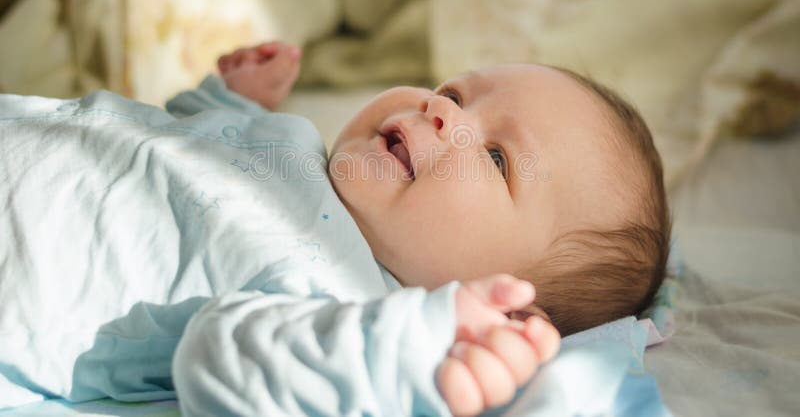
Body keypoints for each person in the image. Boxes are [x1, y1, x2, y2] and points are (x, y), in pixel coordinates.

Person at [0, 41, 669, 416]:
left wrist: (412, 342)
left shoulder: (344, 313)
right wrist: (226, 103)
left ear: (497, 310)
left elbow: (219, 357)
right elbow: (180, 152)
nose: (441, 112)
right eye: (456, 93)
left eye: (497, 159)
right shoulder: (303, 153)